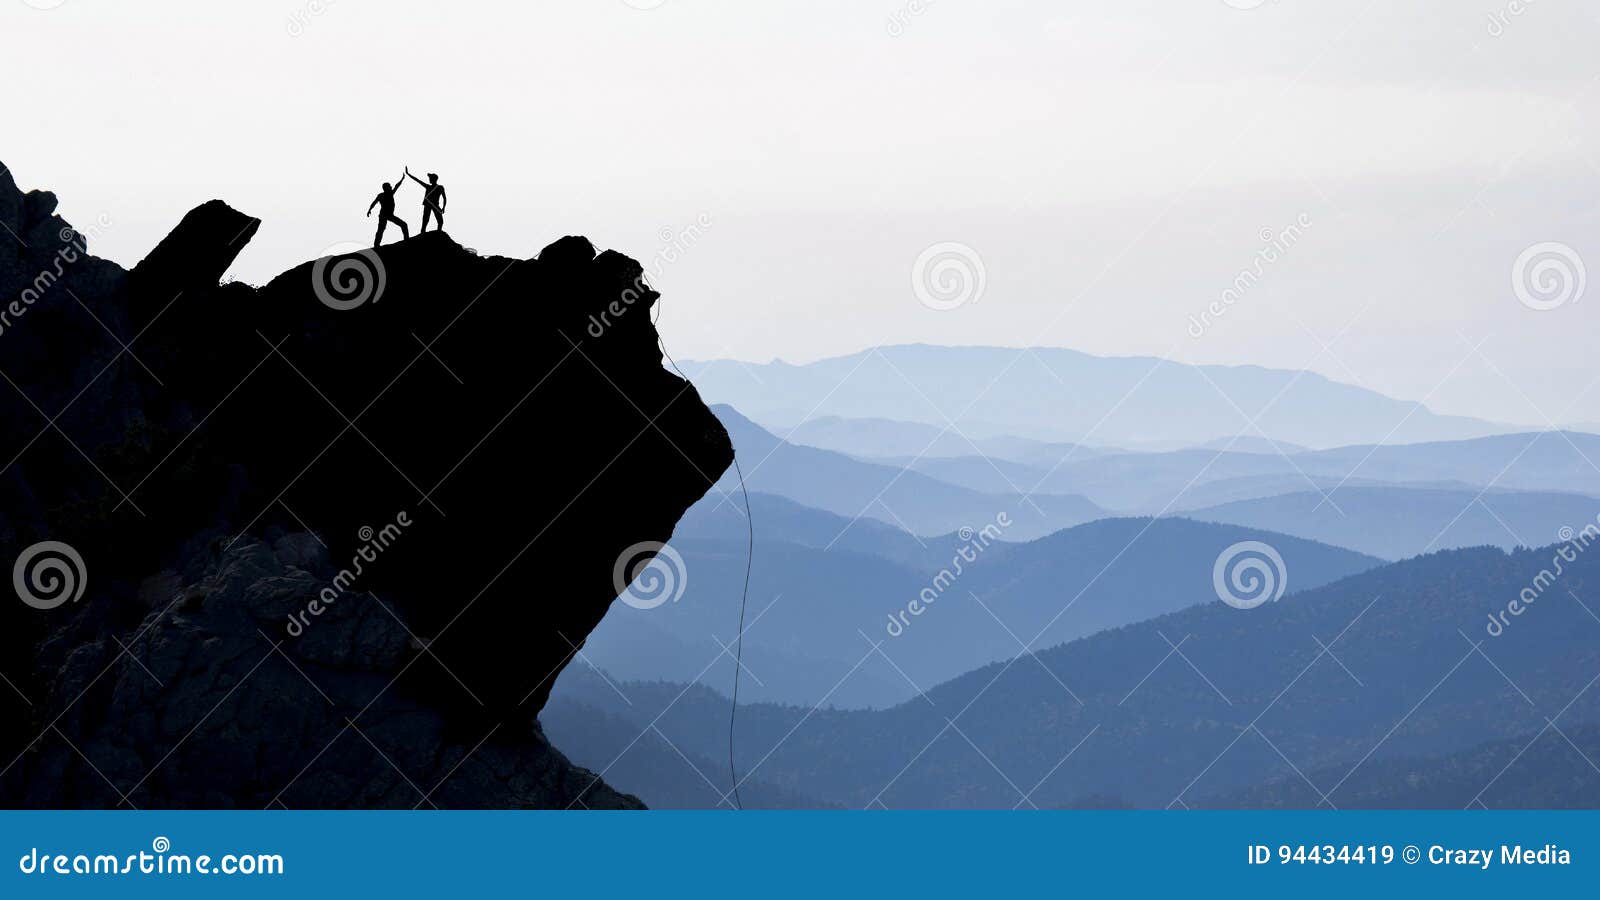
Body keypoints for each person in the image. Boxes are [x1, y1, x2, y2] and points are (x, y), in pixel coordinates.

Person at [366, 172, 409, 247]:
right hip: (384, 215)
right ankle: (376, 245)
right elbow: (374, 203)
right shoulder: (385, 194)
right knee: (382, 229)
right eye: (389, 186)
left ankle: (376, 245)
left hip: (388, 215)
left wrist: (402, 179)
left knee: (402, 225)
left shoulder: (388, 194)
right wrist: (369, 209)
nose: (391, 187)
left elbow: (396, 186)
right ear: (386, 188)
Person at [404, 166, 448, 233]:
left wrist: (444, 207)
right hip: (432, 205)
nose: (429, 179)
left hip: (432, 205)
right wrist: (408, 174)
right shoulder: (437, 187)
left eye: (430, 178)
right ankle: (425, 232)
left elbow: (444, 198)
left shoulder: (436, 187)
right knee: (427, 220)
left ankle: (435, 233)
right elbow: (417, 180)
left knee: (434, 221)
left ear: (433, 179)